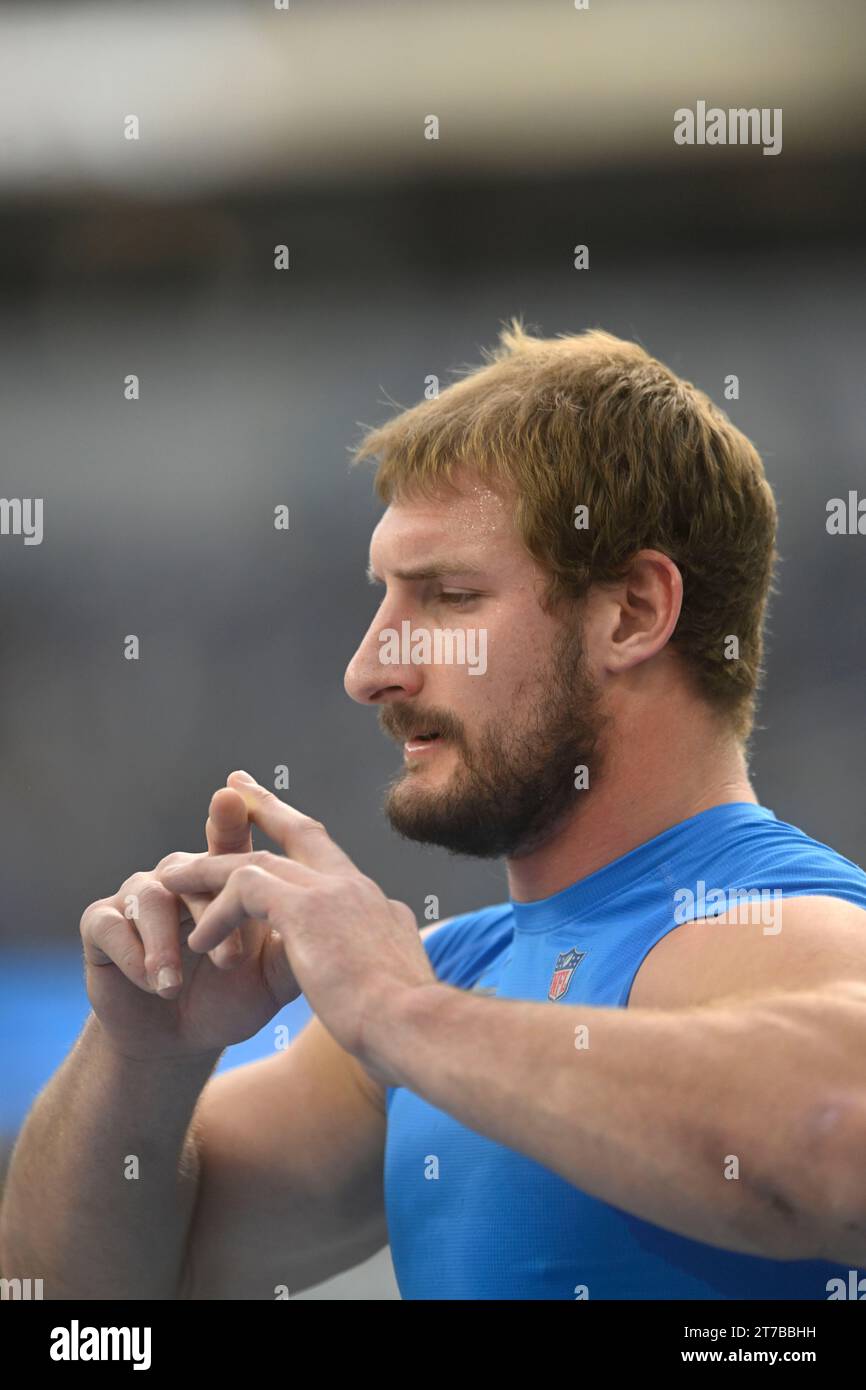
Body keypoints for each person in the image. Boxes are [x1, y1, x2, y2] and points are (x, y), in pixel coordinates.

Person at [3, 323, 865, 1300]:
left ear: (630, 613)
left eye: (448, 596)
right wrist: (141, 1055)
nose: (368, 670)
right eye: (382, 599)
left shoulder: (785, 924)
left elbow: (835, 1140)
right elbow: (81, 1302)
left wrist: (395, 1008)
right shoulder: (459, 981)